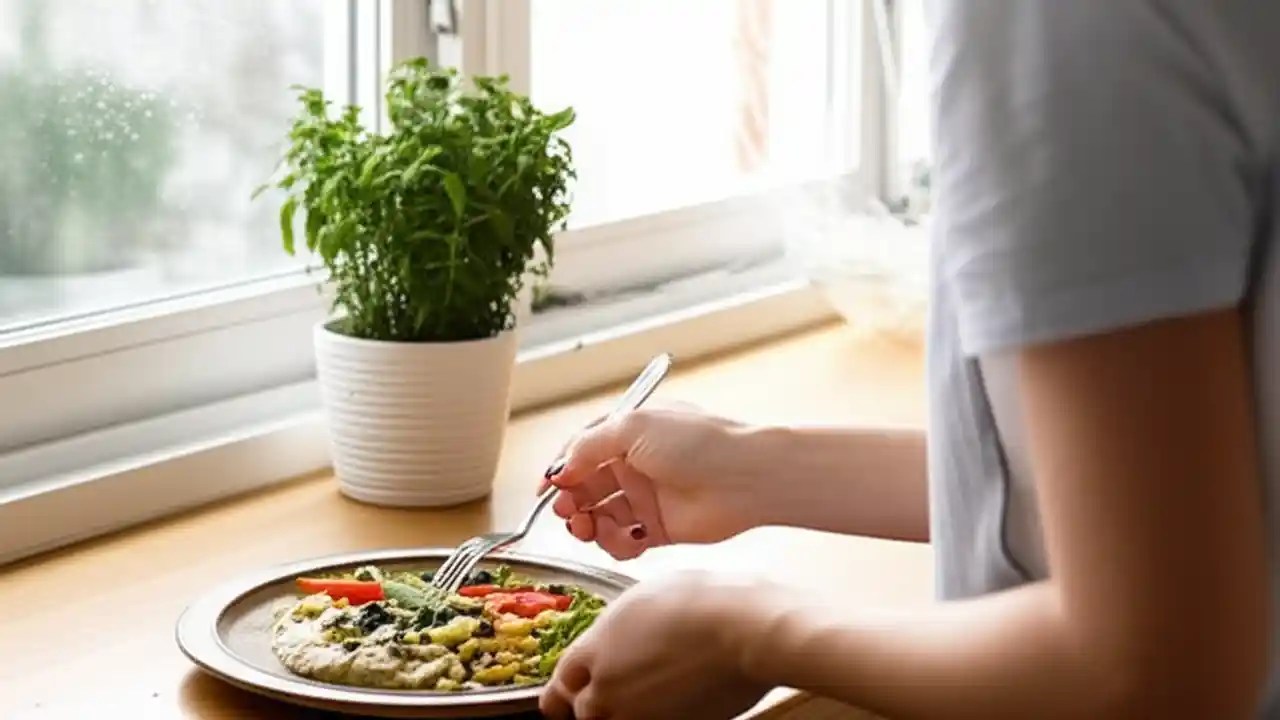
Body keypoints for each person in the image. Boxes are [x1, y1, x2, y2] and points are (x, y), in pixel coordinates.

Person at [537, 2, 1280, 719]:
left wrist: (752, 631)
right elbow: (1164, 484)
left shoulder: (1042, 23)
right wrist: (752, 467)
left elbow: (1149, 667)